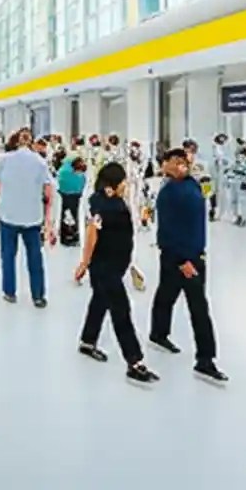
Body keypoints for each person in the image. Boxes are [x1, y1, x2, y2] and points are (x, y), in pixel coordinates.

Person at [73, 162, 158, 384]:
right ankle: (134, 362)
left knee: (99, 301)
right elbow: (93, 232)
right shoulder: (107, 206)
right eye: (123, 181)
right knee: (121, 311)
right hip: (106, 267)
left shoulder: (102, 200)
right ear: (114, 182)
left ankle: (87, 341)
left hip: (112, 265)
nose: (126, 185)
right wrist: (84, 262)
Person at [150, 148, 227, 383]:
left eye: (184, 161)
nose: (181, 165)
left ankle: (158, 332)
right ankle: (205, 359)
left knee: (167, 293)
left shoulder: (192, 184)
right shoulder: (168, 193)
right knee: (199, 307)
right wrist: (182, 260)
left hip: (196, 254)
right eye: (175, 162)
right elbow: (167, 231)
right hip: (181, 258)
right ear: (166, 166)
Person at [0, 128, 55, 308]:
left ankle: (10, 292)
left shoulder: (3, 159)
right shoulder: (39, 162)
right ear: (31, 142)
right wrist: (48, 218)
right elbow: (48, 190)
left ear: (16, 141)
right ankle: (38, 296)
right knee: (35, 256)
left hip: (8, 214)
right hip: (32, 216)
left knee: (8, 255)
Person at [56, 154, 87, 247]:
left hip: (68, 196)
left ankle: (67, 236)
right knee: (71, 215)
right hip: (70, 196)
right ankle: (72, 235)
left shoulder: (64, 170)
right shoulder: (65, 171)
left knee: (67, 215)